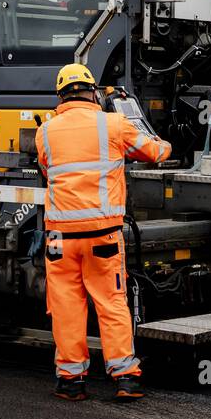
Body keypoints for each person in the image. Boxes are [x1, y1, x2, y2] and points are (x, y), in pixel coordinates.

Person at [36, 64, 171, 401]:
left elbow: (46, 169)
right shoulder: (114, 123)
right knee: (110, 304)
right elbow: (153, 152)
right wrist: (166, 145)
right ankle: (125, 378)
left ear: (61, 96)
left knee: (67, 308)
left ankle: (71, 381)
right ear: (93, 92)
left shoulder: (46, 131)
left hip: (59, 239)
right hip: (103, 237)